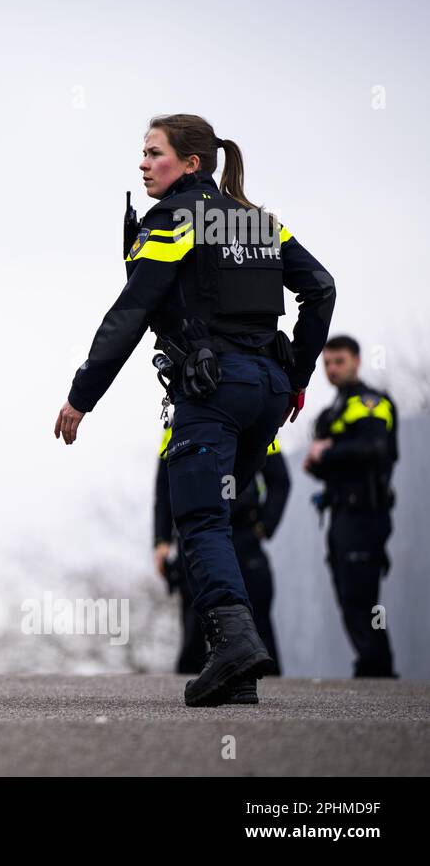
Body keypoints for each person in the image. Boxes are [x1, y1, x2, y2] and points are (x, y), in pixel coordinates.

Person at [54, 113, 335, 706]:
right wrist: (297, 379)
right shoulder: (262, 223)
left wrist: (83, 395)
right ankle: (236, 678)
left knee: (200, 520)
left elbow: (132, 312)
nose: (143, 163)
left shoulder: (175, 220)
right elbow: (322, 287)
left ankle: (234, 645)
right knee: (224, 518)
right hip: (266, 392)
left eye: (154, 153)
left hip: (213, 392)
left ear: (192, 164)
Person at [155, 426, 289, 695]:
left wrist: (263, 527)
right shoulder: (179, 421)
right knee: (194, 623)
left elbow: (280, 480)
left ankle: (264, 688)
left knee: (256, 617)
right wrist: (161, 541)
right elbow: (163, 487)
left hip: (241, 533)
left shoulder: (252, 413)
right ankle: (196, 687)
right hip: (193, 534)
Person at [304, 335, 398, 677]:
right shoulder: (333, 410)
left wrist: (327, 452)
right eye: (327, 363)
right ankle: (371, 663)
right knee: (347, 592)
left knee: (361, 592)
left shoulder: (371, 403)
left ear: (357, 360)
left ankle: (378, 668)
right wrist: (321, 457)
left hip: (366, 513)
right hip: (341, 514)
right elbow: (316, 466)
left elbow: (375, 448)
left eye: (339, 361)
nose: (332, 369)